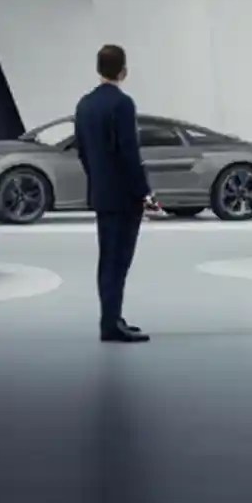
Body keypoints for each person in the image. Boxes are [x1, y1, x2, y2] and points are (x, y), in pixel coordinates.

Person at [75, 44, 158, 343]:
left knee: (107, 258)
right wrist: (144, 192)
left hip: (101, 192)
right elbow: (129, 152)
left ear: (99, 69)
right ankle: (111, 324)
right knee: (119, 260)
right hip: (123, 196)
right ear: (124, 70)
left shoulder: (84, 104)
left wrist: (98, 179)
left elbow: (83, 151)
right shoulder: (122, 104)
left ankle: (111, 317)